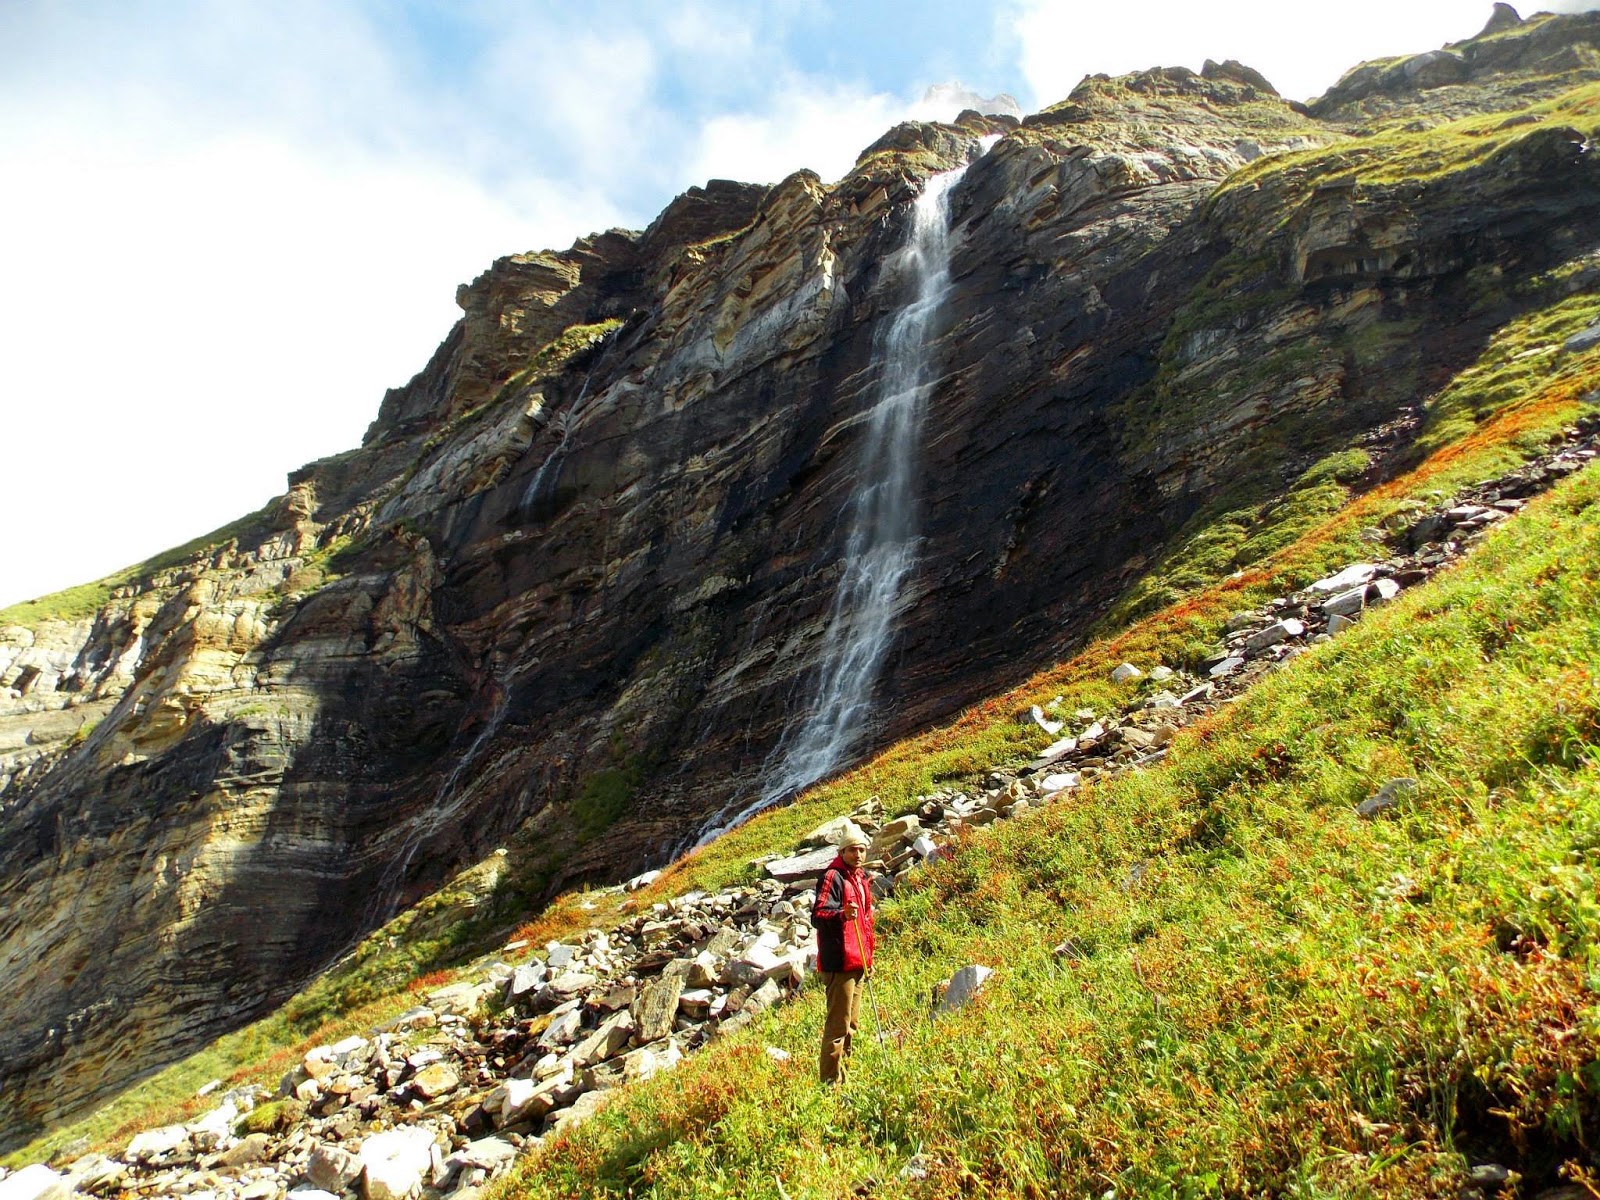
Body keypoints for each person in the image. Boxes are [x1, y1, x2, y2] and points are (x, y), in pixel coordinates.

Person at [810, 828, 876, 1083]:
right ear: (842, 852)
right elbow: (819, 915)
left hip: (858, 961)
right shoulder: (832, 877)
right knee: (838, 1027)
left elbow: (866, 923)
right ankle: (829, 1083)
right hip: (840, 963)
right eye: (852, 849)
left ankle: (845, 1078)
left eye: (861, 849)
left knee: (852, 1026)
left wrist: (869, 959)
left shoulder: (860, 878)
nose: (858, 854)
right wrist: (842, 914)